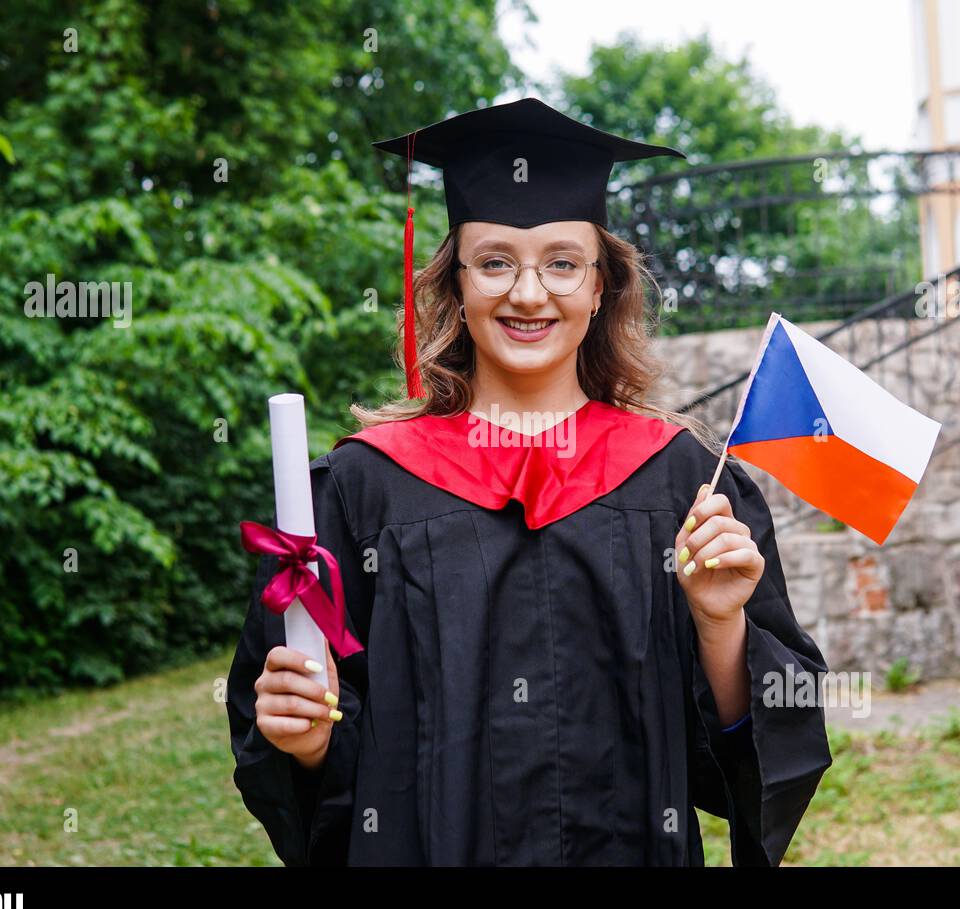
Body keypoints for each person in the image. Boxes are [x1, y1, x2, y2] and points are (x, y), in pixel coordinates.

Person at [226, 97, 832, 866]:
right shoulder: (361, 487)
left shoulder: (681, 478)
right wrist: (306, 744)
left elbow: (763, 742)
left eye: (562, 262)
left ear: (600, 285)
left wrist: (720, 626)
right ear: (457, 284)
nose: (527, 293)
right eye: (495, 261)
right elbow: (290, 728)